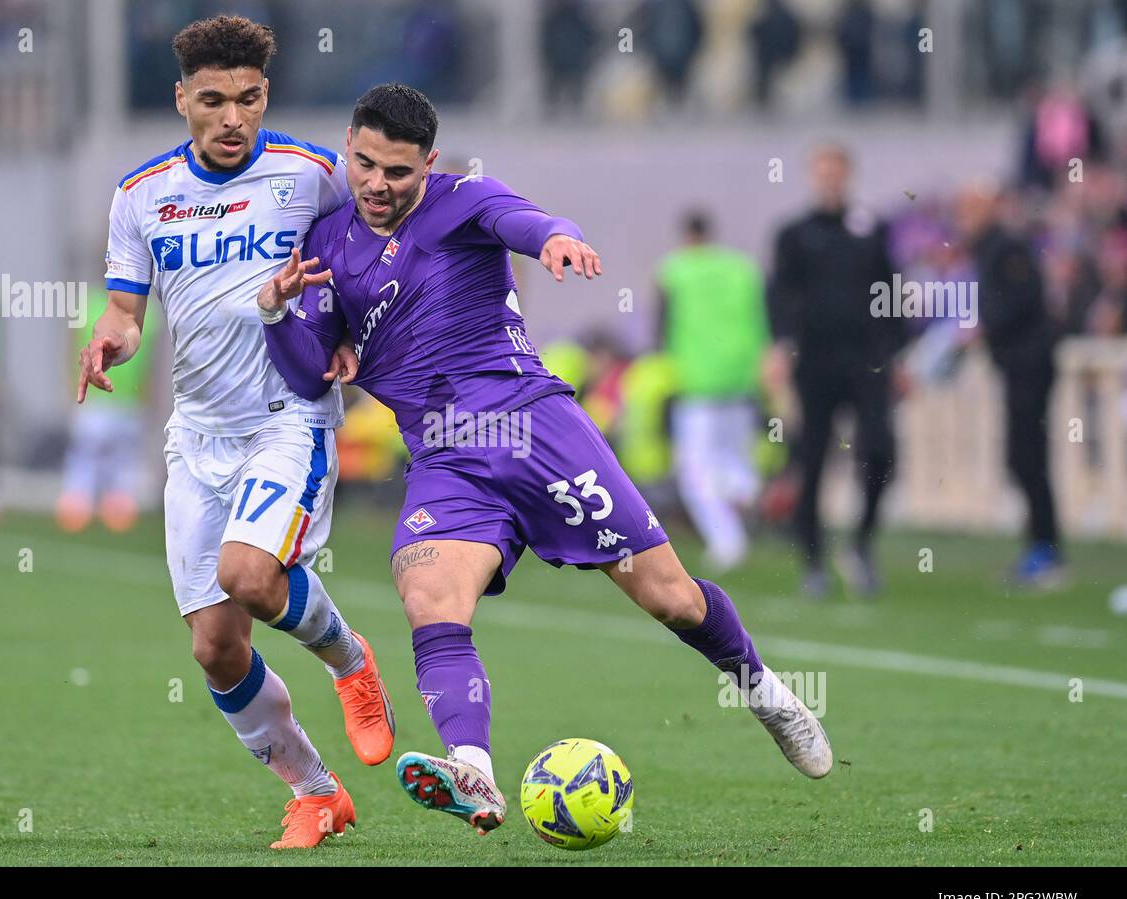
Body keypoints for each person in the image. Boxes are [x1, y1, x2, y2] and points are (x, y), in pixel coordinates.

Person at [261, 84, 832, 836]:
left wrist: (555, 238)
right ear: (349, 148)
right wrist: (275, 314)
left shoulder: (461, 200)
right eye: (363, 164)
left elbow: (521, 220)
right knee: (428, 595)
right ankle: (475, 770)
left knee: (671, 600)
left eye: (396, 172)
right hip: (445, 458)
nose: (376, 184)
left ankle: (765, 692)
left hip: (535, 430)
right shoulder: (329, 243)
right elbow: (307, 372)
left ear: (427, 166)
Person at [75, 15, 395, 850]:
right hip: (200, 435)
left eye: (247, 100)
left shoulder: (313, 173)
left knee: (251, 575)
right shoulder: (140, 195)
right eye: (212, 101)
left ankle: (349, 660)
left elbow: (372, 255)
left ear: (265, 97)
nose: (231, 118)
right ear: (181, 98)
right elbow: (126, 310)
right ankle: (317, 793)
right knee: (217, 650)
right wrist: (113, 338)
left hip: (289, 416)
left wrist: (356, 331)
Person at [766, 144, 905, 597]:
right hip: (815, 363)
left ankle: (861, 543)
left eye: (836, 172)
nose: (829, 180)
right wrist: (780, 348)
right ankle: (813, 560)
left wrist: (898, 352)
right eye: (821, 173)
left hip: (867, 359)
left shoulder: (871, 229)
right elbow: (779, 295)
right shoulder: (794, 234)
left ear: (847, 176)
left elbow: (892, 290)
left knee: (881, 451)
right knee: (813, 458)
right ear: (812, 177)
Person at [956, 183, 1064, 586]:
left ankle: (1046, 550)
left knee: (1028, 458)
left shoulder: (1006, 249)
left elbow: (1022, 301)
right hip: (1018, 366)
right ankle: (1041, 547)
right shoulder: (989, 250)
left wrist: (984, 327)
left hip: (1029, 365)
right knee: (1022, 458)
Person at [657, 211, 770, 571]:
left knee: (696, 473)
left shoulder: (675, 269)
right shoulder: (743, 268)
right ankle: (747, 489)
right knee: (733, 458)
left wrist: (665, 360)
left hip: (698, 382)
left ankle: (727, 543)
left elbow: (662, 322)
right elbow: (764, 315)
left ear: (687, 236)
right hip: (741, 378)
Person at [57, 280, 158, 533]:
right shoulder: (150, 313)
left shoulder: (88, 306)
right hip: (111, 399)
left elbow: (71, 350)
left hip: (110, 399)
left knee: (94, 457)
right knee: (112, 459)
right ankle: (104, 511)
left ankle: (83, 508)